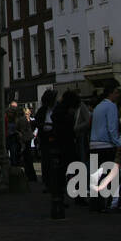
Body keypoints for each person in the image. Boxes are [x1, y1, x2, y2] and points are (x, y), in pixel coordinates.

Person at [89, 81, 121, 211]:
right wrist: (118, 144)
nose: (118, 95)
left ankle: (96, 204)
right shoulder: (111, 106)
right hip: (105, 145)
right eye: (116, 92)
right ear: (111, 93)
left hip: (94, 144)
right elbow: (112, 128)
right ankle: (109, 203)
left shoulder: (98, 107)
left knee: (96, 175)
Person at [49, 90, 79, 219]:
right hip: (65, 144)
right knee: (65, 171)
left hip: (61, 144)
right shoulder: (64, 113)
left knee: (63, 172)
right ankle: (61, 197)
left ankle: (60, 197)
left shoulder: (58, 111)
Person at [34, 89, 58, 194]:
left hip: (55, 138)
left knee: (55, 163)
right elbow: (37, 122)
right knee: (47, 162)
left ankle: (56, 183)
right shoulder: (42, 111)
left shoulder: (57, 109)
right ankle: (48, 183)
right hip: (45, 139)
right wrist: (44, 126)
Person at [17, 105, 36, 183]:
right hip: (27, 139)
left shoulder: (21, 120)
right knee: (28, 158)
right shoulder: (25, 120)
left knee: (27, 158)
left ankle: (30, 176)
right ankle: (32, 176)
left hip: (25, 140)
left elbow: (19, 129)